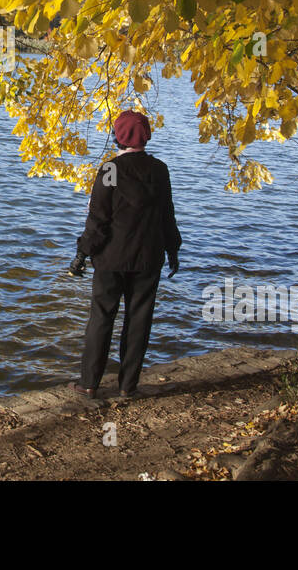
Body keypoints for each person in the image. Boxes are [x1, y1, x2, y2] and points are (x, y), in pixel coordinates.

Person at [68, 109, 181, 399]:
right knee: (139, 319)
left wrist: (82, 254)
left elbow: (98, 220)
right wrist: (173, 249)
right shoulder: (160, 170)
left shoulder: (110, 170)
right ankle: (128, 386)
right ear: (146, 135)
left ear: (119, 136)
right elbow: (167, 215)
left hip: (111, 258)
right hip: (148, 257)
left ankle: (89, 384)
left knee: (102, 317)